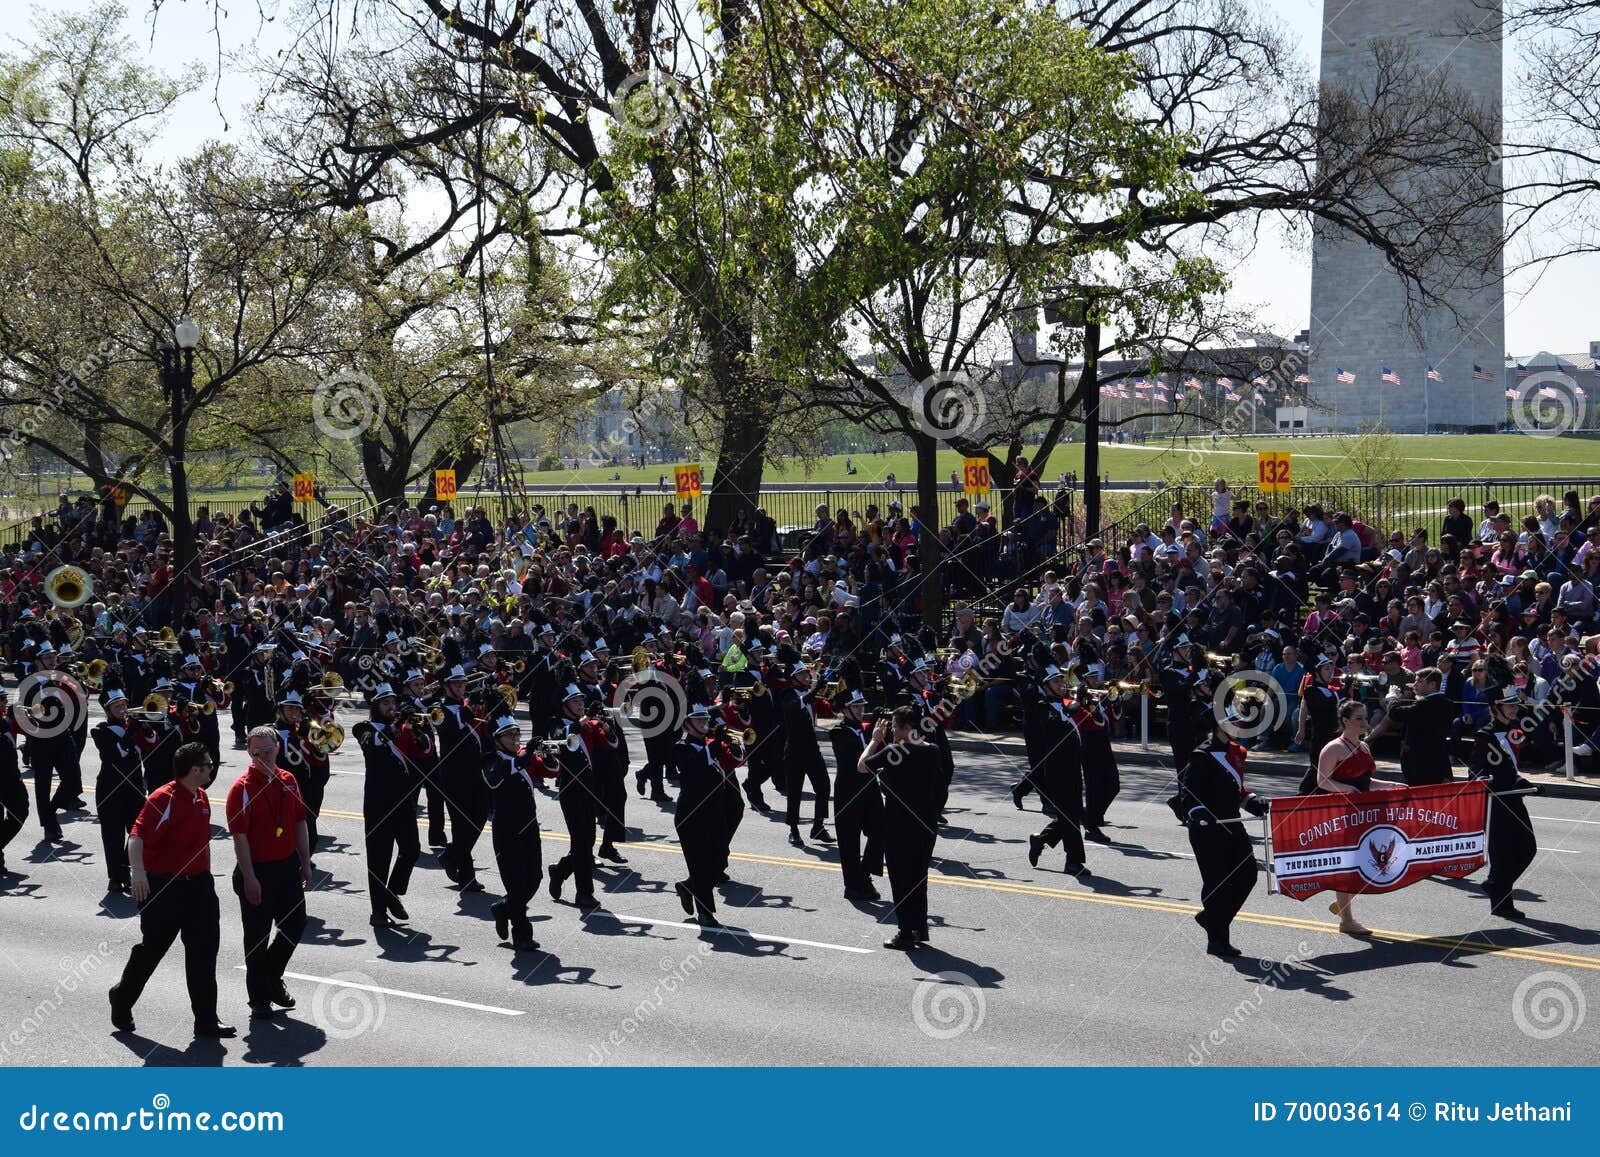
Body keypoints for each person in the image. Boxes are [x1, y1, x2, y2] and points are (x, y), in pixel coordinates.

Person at [108, 742, 235, 1038]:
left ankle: (206, 1021)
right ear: (195, 770)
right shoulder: (162, 798)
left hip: (199, 889)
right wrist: (138, 874)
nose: (211, 768)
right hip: (165, 888)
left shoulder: (201, 796)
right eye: (208, 764)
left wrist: (205, 876)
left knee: (204, 954)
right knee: (153, 950)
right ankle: (122, 997)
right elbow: (136, 837)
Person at [225, 725, 310, 1019]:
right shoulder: (242, 789)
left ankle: (271, 976)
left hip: (286, 867)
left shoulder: (289, 780)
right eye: (257, 752)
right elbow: (240, 838)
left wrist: (306, 861)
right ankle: (258, 998)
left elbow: (300, 822)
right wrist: (249, 878)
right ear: (249, 752)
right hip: (257, 870)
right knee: (257, 937)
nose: (263, 757)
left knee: (296, 924)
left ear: (278, 748)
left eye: (269, 751)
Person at [1176, 703, 1269, 956]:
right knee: (1216, 883)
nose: (1239, 726)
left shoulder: (1237, 752)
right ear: (1219, 725)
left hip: (1232, 824)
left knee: (1248, 874)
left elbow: (1236, 790)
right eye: (1234, 722)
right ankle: (1217, 941)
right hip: (1206, 828)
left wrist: (1253, 801)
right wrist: (1199, 812)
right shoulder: (1201, 755)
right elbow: (1188, 794)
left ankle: (1212, 918)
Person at [859, 706, 941, 950]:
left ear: (908, 728)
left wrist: (875, 741)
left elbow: (862, 766)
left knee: (900, 880)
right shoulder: (933, 751)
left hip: (899, 824)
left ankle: (905, 933)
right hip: (926, 824)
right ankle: (919, 928)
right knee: (918, 878)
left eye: (895, 726)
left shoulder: (895, 750)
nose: (891, 730)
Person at [1313, 700, 1391, 936]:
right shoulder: (1333, 748)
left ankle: (1341, 905)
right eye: (1359, 718)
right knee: (1349, 865)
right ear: (1345, 720)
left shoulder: (1364, 747)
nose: (1365, 722)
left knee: (1370, 861)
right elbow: (1322, 781)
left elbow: (1365, 782)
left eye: (1365, 718)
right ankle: (1347, 920)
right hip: (1342, 813)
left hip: (1364, 811)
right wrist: (1347, 791)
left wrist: (1392, 785)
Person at [1469, 684, 1541, 918]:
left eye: (1514, 704)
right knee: (1502, 853)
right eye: (1509, 705)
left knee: (1527, 847)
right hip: (1497, 801)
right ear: (1495, 708)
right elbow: (1476, 772)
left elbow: (1510, 768)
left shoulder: (1512, 729)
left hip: (1513, 797)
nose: (1514, 708)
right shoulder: (1485, 734)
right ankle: (1501, 903)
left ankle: (1495, 884)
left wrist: (1523, 783)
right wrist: (1488, 784)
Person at [353, 684, 422, 928]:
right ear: (375, 707)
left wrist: (421, 730)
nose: (391, 707)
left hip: (403, 800)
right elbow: (373, 746)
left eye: (393, 702)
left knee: (412, 849)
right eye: (385, 703)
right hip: (378, 804)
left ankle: (391, 893)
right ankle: (378, 911)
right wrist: (395, 727)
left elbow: (423, 753)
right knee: (379, 859)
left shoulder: (403, 729)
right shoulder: (364, 729)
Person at [483, 714, 548, 951]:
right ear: (497, 739)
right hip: (507, 831)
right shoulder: (491, 760)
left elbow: (552, 771)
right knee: (516, 883)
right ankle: (521, 936)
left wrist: (547, 753)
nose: (515, 738)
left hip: (530, 827)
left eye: (516, 734)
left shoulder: (522, 758)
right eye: (509, 735)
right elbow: (495, 779)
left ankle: (504, 908)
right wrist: (526, 755)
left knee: (535, 878)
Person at [1026, 665, 1090, 876]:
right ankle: (1073, 862)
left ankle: (1042, 839)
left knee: (1073, 813)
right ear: (1045, 686)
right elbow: (1053, 727)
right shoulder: (1042, 706)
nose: (1061, 685)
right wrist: (1072, 705)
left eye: (1061, 681)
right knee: (1070, 815)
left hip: (1073, 764)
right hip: (1056, 768)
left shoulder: (1065, 704)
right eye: (1055, 682)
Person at [672, 704, 732, 927]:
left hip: (714, 812)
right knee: (699, 864)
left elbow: (732, 761)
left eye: (705, 719)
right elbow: (692, 766)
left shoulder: (710, 745)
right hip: (691, 815)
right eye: (698, 720)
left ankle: (689, 886)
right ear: (687, 724)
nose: (704, 723)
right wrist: (715, 745)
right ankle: (705, 913)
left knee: (719, 860)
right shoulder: (681, 747)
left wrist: (730, 745)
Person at [548, 683, 605, 910]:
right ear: (565, 706)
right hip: (570, 790)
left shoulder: (584, 725)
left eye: (582, 701)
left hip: (588, 788)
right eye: (575, 702)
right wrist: (581, 722)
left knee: (587, 841)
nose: (581, 705)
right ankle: (584, 893)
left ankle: (560, 870)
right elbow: (562, 739)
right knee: (580, 841)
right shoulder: (557, 725)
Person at [827, 690, 882, 900]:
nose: (861, 710)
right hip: (848, 791)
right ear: (845, 710)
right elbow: (857, 758)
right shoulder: (838, 732)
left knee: (880, 831)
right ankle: (852, 885)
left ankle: (865, 875)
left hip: (870, 787)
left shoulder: (865, 730)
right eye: (856, 706)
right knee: (849, 842)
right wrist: (874, 738)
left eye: (862, 706)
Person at [91, 688, 147, 895]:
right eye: (117, 706)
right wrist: (132, 732)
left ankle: (123, 869)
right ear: (108, 710)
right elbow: (116, 755)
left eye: (124, 704)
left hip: (135, 787)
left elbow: (152, 744)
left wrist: (147, 729)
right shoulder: (100, 731)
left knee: (139, 832)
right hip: (110, 789)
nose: (123, 708)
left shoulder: (133, 726)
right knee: (112, 835)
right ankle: (115, 877)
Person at [779, 662, 833, 846]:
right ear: (793, 678)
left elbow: (829, 710)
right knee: (795, 791)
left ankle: (818, 826)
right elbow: (794, 707)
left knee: (824, 786)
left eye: (806, 674)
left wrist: (836, 694)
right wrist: (814, 691)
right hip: (794, 749)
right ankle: (793, 829)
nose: (806, 677)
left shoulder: (811, 695)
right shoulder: (788, 695)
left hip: (812, 747)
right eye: (801, 674)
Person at [1385, 666, 1455, 785]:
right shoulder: (1447, 703)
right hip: (1438, 760)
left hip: (1420, 763)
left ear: (1432, 684)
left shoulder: (1425, 704)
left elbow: (1395, 714)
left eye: (1420, 681)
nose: (1415, 684)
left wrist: (1392, 697)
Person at [0, 687, 27, 877]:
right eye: (0, 700)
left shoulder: (5, 721)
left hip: (11, 779)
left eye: (3, 699)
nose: (3, 703)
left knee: (20, 812)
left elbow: (34, 732)